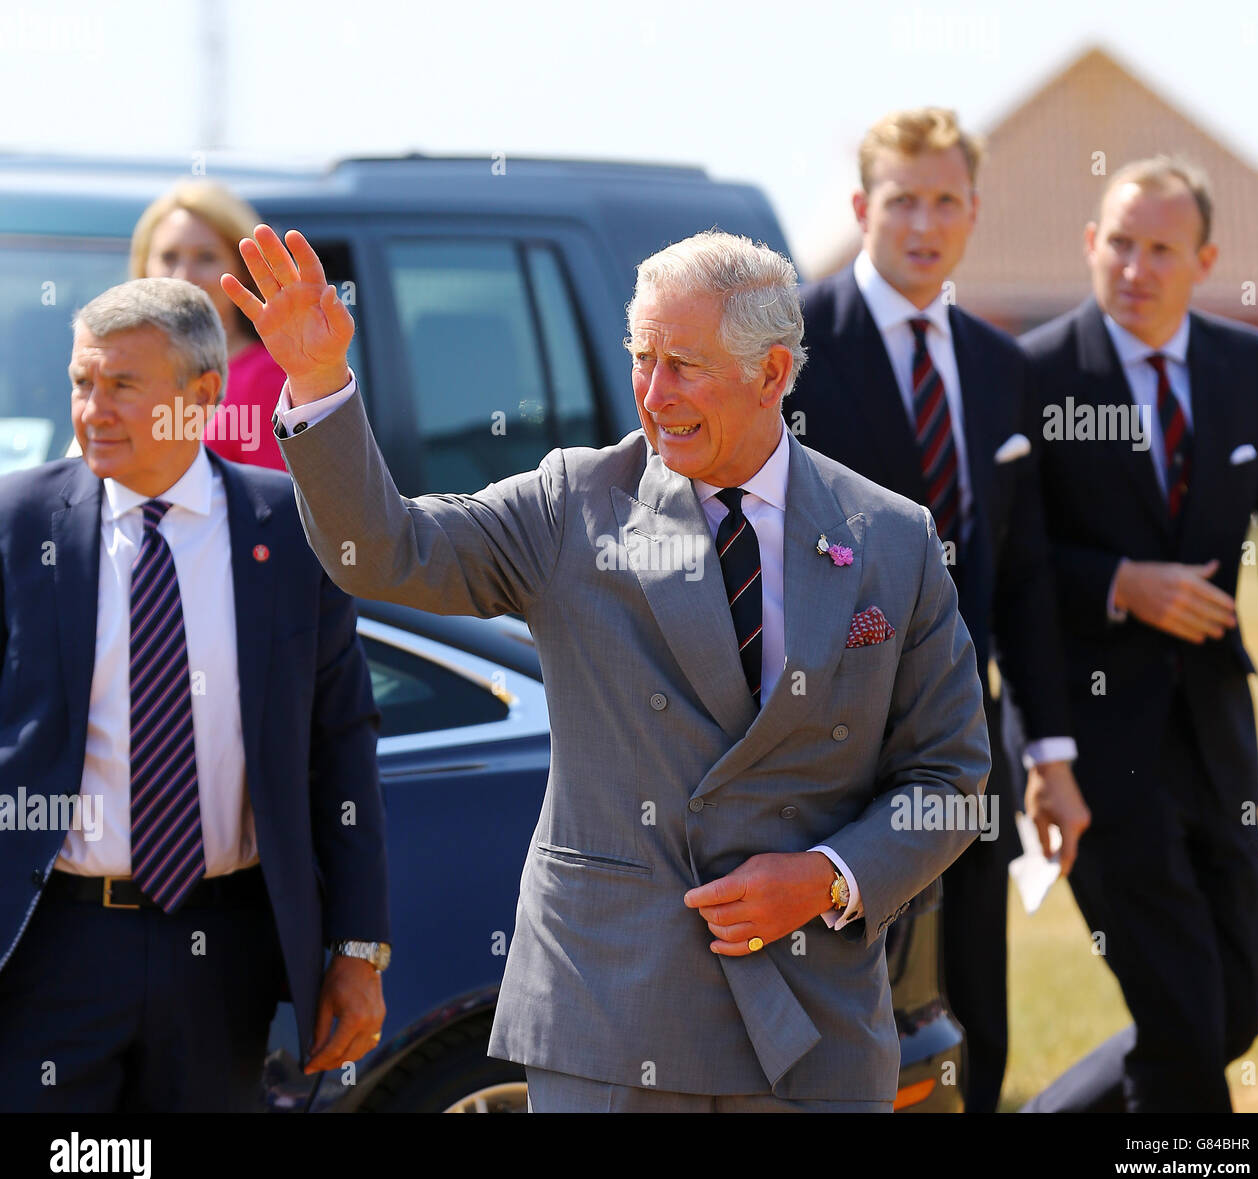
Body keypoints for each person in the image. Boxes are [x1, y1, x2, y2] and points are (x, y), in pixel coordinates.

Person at [223, 225, 991, 1111]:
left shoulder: (891, 539)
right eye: (642, 358)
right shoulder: (575, 504)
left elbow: (951, 780)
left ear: (774, 373)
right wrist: (319, 383)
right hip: (614, 1019)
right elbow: (382, 551)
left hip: (812, 1027)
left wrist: (825, 876)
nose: (654, 395)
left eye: (685, 365)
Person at [0, 278, 390, 1111]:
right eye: (81, 382)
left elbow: (341, 741)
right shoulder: (18, 524)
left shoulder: (291, 528)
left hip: (225, 951)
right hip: (52, 943)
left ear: (202, 396)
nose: (92, 409)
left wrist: (358, 948)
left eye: (122, 385)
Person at [788, 107, 1091, 1112]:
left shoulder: (1002, 365)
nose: (924, 222)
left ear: (973, 212)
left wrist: (1047, 752)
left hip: (963, 752)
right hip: (826, 757)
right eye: (903, 199)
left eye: (945, 201)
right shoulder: (792, 349)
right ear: (860, 207)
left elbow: (1025, 578)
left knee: (974, 1024)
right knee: (853, 1033)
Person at [1019, 157, 1258, 1112]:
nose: (1135, 266)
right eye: (1120, 244)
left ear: (1205, 259)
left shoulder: (1250, 367)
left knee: (1238, 1005)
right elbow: (1001, 564)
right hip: (1094, 740)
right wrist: (1119, 584)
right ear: (1092, 245)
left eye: (1161, 249)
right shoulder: (1035, 373)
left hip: (1219, 728)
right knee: (1184, 1015)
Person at [130, 181, 287, 470]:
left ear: (244, 268)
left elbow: (278, 507)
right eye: (168, 257)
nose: (184, 275)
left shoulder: (266, 379)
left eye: (206, 257)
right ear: (143, 268)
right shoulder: (123, 369)